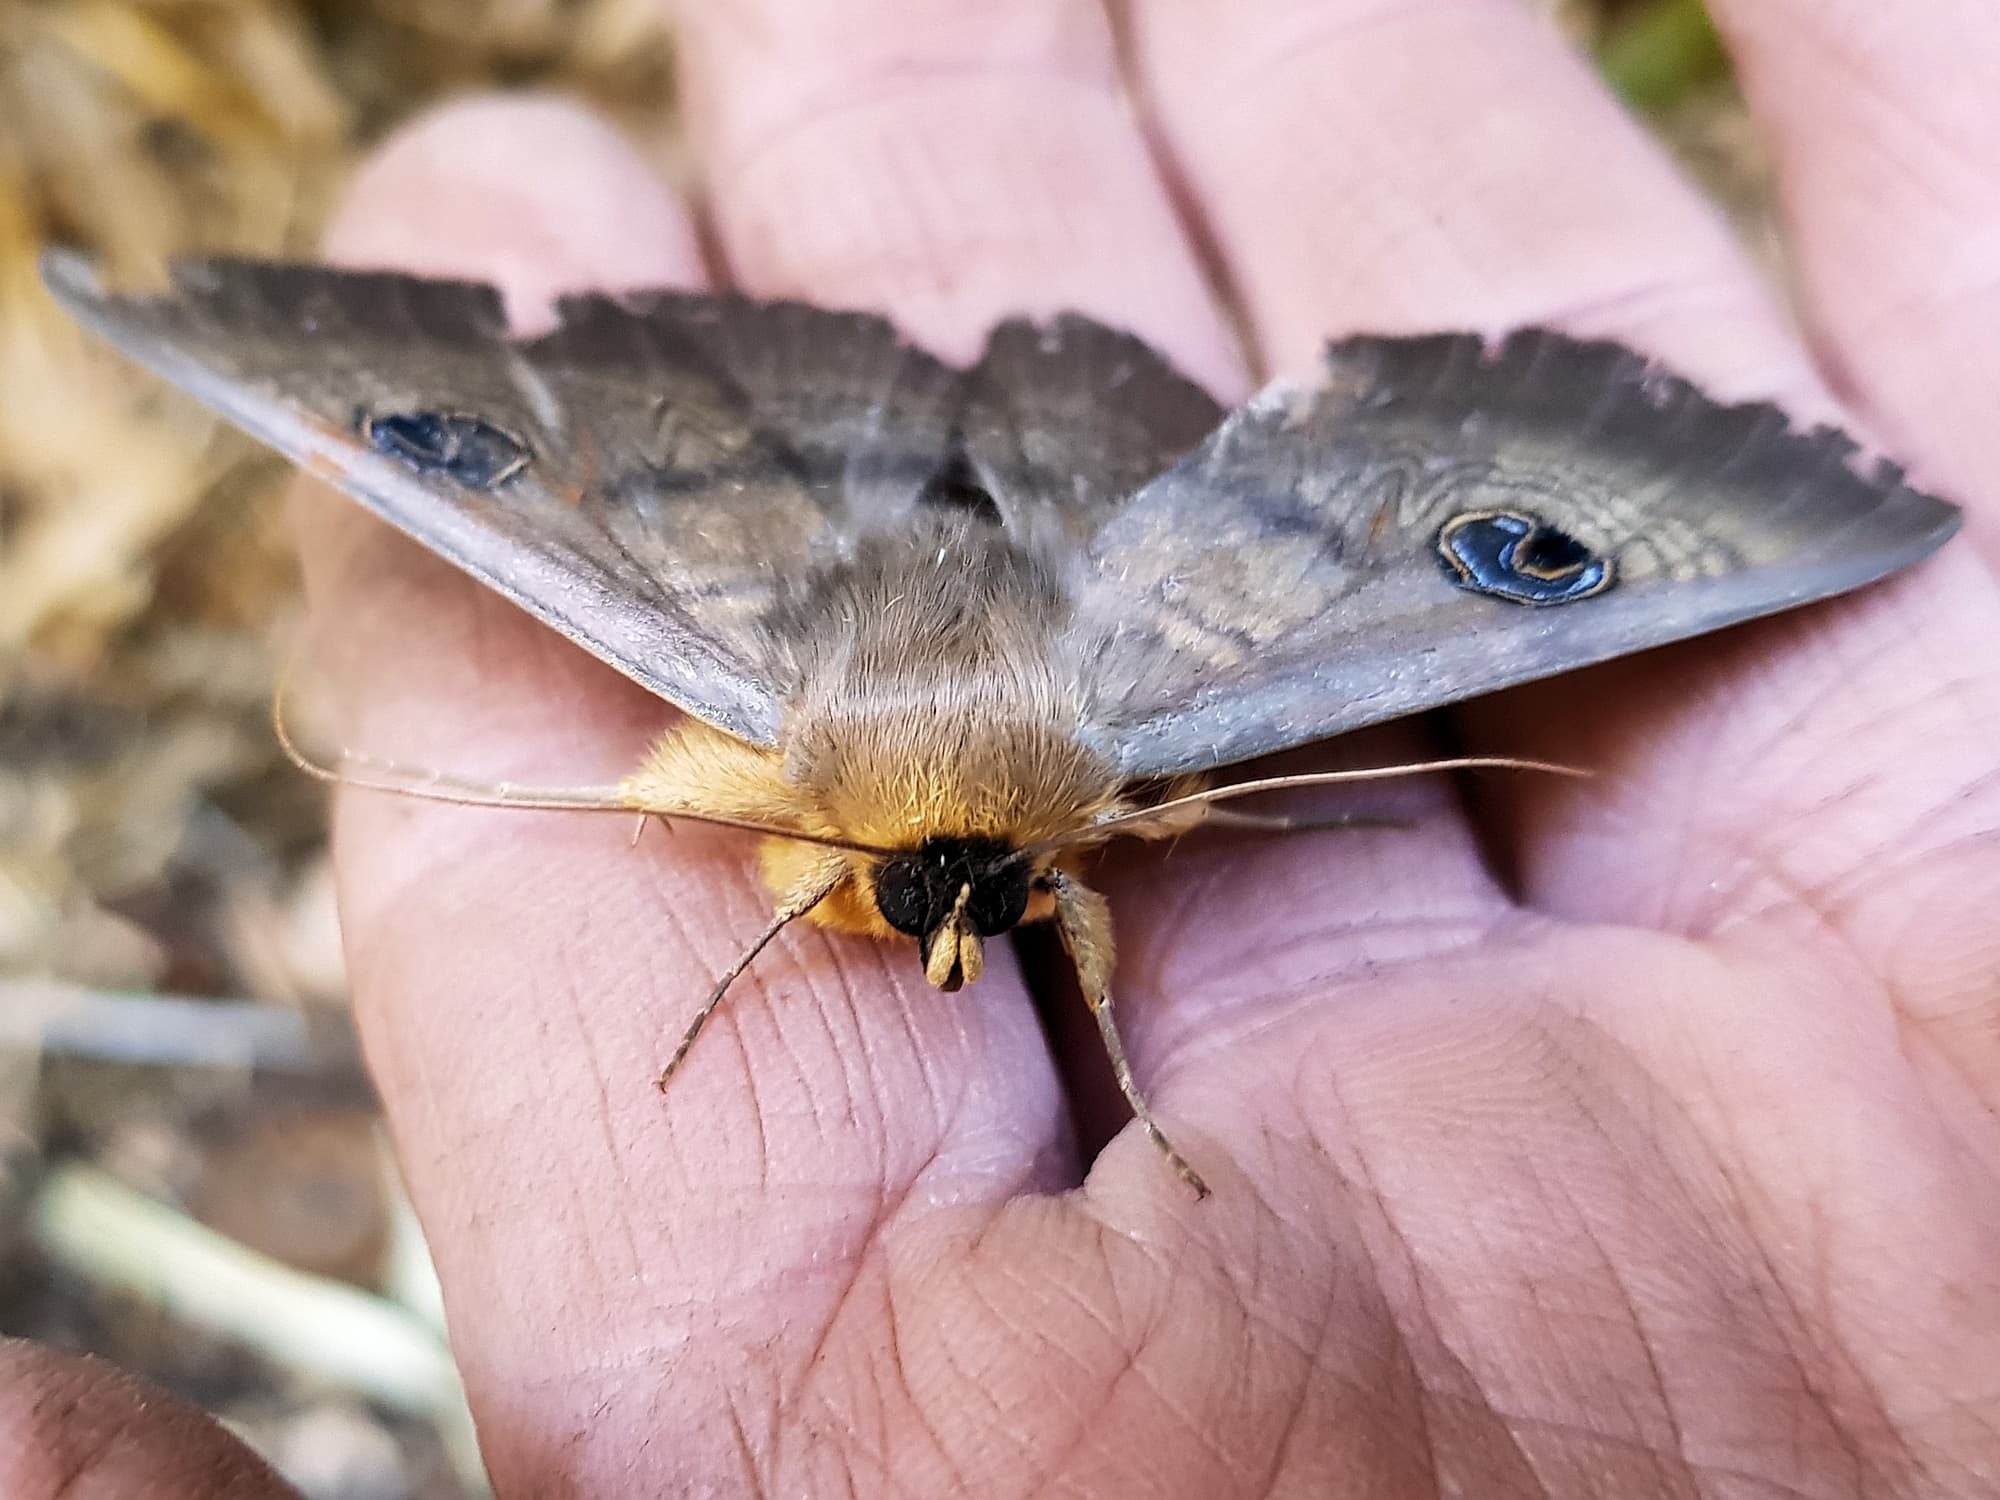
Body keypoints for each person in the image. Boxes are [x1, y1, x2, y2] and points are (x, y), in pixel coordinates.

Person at [8, 1, 1998, 1494]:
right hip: (1086, 535)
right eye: (965, 900)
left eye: (969, 899)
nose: (965, 928)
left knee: (1636, 576)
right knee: (434, 473)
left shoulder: (999, 774)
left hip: (824, 544)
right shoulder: (1088, 775)